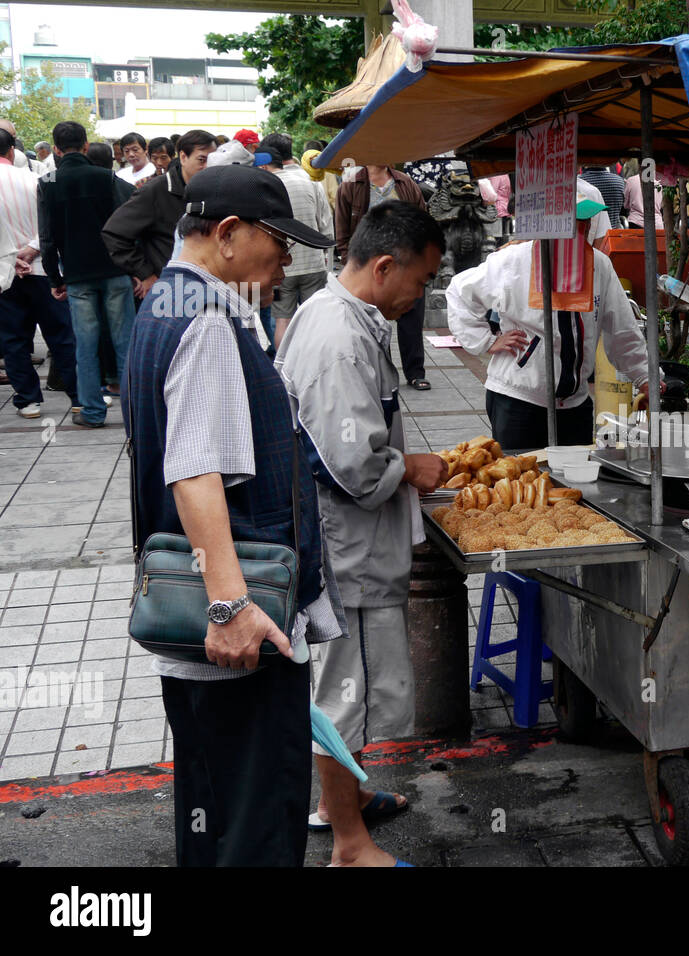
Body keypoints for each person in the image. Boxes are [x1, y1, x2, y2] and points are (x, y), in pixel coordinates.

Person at [124, 163, 340, 867]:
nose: (284, 262)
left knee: (214, 816)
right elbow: (193, 472)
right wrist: (230, 605)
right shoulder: (209, 321)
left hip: (207, 618)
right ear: (227, 234)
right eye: (277, 243)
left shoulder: (163, 302)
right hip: (241, 625)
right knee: (257, 826)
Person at [276, 201, 446, 867]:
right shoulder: (339, 338)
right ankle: (349, 843)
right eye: (424, 279)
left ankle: (341, 800)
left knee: (352, 685)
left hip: (348, 539)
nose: (422, 294)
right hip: (346, 545)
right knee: (348, 691)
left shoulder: (340, 316)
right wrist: (410, 467)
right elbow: (352, 464)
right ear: (383, 266)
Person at [447, 187, 651, 449]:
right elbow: (459, 291)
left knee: (573, 484)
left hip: (575, 404)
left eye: (586, 221)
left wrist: (644, 377)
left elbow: (622, 328)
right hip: (519, 399)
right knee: (521, 480)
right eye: (575, 222)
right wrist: (486, 341)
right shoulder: (514, 260)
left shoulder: (599, 265)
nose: (584, 228)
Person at [37, 121, 137, 429]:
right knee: (125, 343)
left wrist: (55, 278)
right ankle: (136, 413)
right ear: (85, 146)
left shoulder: (47, 181)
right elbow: (131, 221)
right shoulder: (108, 177)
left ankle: (92, 412)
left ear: (55, 149)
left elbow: (47, 238)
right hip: (115, 271)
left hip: (77, 276)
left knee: (86, 346)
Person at [0, 126, 80, 419]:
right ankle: (79, 395)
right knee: (61, 333)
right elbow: (53, 221)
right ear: (12, 151)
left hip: (4, 274)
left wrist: (11, 257)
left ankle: (29, 399)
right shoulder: (37, 179)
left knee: (13, 337)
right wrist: (31, 249)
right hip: (42, 267)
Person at [335, 162, 430, 389]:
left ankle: (415, 372)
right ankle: (380, 372)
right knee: (372, 321)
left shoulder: (405, 183)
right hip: (369, 266)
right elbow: (342, 228)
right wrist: (351, 263)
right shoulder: (351, 184)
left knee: (411, 320)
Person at [102, 129, 217, 301]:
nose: (207, 166)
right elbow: (114, 233)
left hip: (209, 289)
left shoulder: (213, 190)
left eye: (213, 160)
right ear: (183, 157)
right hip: (169, 292)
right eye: (202, 160)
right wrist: (145, 274)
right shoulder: (155, 190)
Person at [258, 133, 333, 349]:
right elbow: (326, 228)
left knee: (282, 321)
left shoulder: (266, 185)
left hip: (280, 268)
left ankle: (283, 368)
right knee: (314, 321)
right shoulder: (311, 181)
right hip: (313, 265)